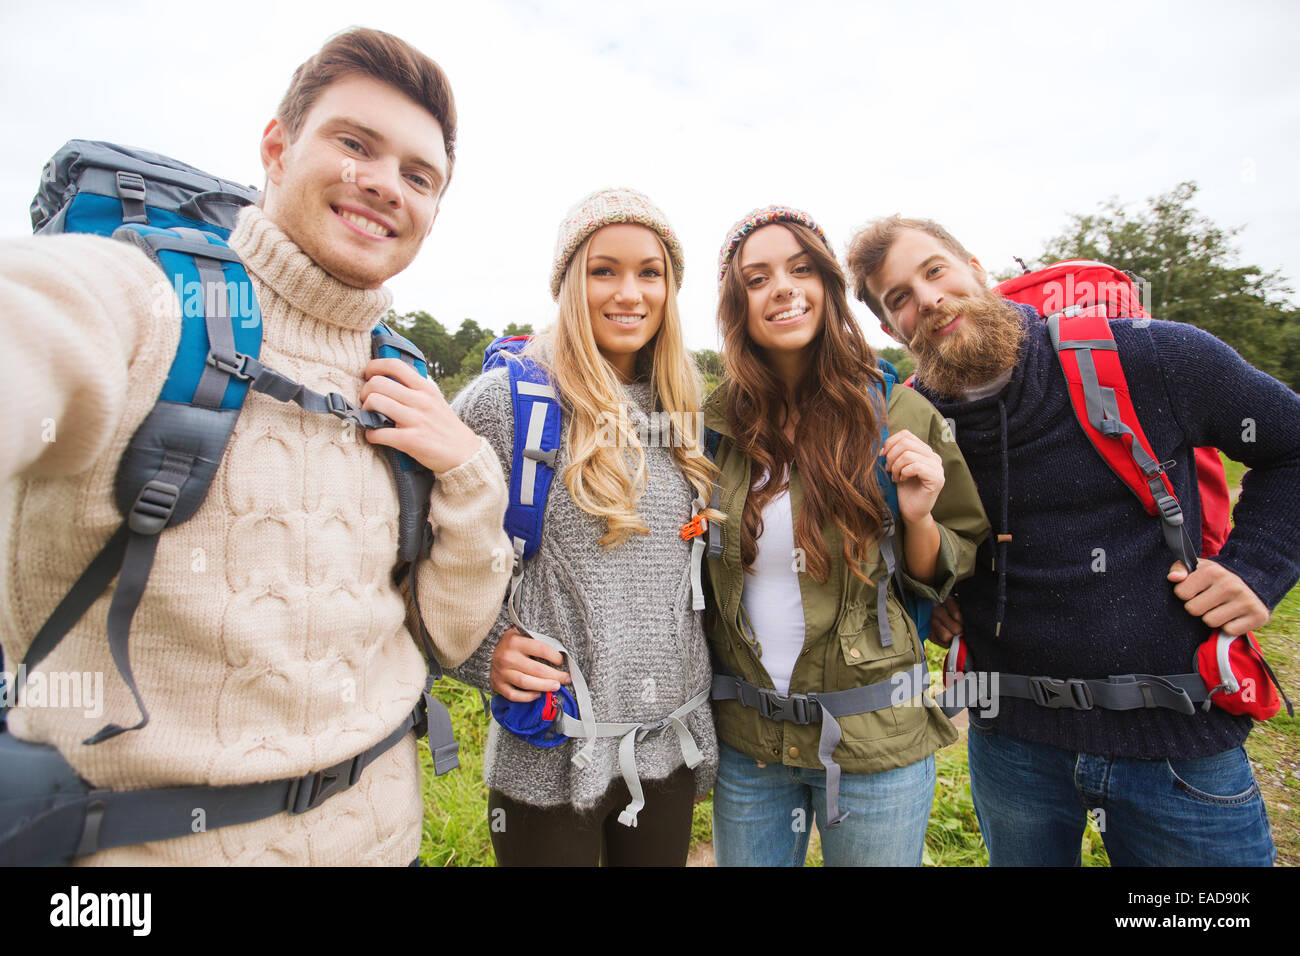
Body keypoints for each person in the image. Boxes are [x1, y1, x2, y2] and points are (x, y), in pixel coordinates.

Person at [0, 27, 512, 865]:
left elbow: (451, 636)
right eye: (355, 144)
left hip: (387, 843)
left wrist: (467, 471)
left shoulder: (402, 376)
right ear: (276, 148)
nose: (385, 185)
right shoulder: (139, 299)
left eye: (418, 176)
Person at [845, 215, 1300, 866]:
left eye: (935, 270)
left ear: (976, 269)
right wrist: (933, 590)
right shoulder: (911, 423)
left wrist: (1257, 569)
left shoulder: (1150, 357)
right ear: (893, 330)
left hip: (1176, 736)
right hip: (1012, 745)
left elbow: (1290, 446)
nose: (928, 298)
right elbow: (905, 537)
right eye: (900, 297)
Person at [703, 206, 989, 867]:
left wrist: (917, 517)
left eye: (802, 269)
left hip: (873, 744)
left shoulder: (902, 411)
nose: (783, 287)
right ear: (737, 305)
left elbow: (952, 562)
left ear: (828, 287)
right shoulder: (714, 428)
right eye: (757, 277)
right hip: (750, 746)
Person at [449, 188, 719, 866]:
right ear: (570, 282)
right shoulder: (508, 406)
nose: (629, 292)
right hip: (550, 757)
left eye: (649, 272)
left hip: (666, 752)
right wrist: (481, 656)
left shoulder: (686, 411)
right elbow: (422, 563)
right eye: (604, 270)